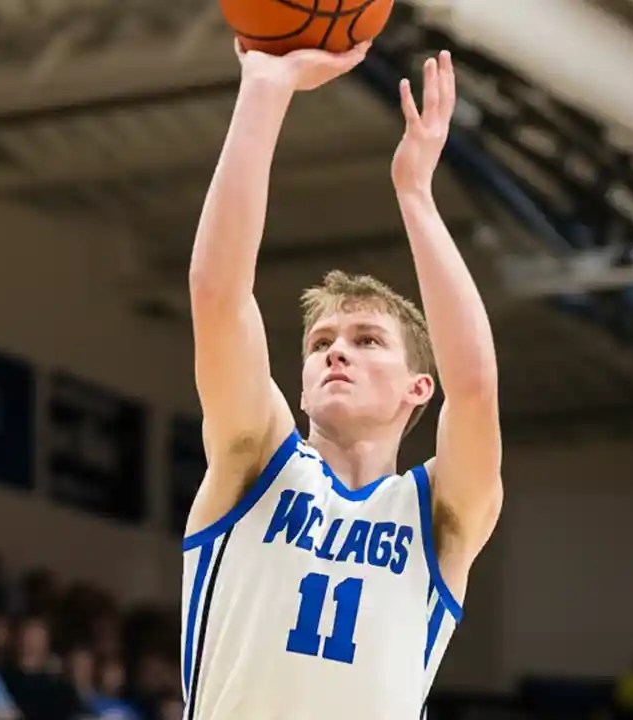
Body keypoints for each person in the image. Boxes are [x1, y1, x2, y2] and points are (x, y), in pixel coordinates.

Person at [180, 38, 503, 720]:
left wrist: (415, 194)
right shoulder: (256, 458)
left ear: (420, 387)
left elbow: (474, 387)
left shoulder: (439, 514)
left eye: (366, 340)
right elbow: (216, 296)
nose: (337, 353)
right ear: (298, 387)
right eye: (322, 342)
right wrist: (264, 89)